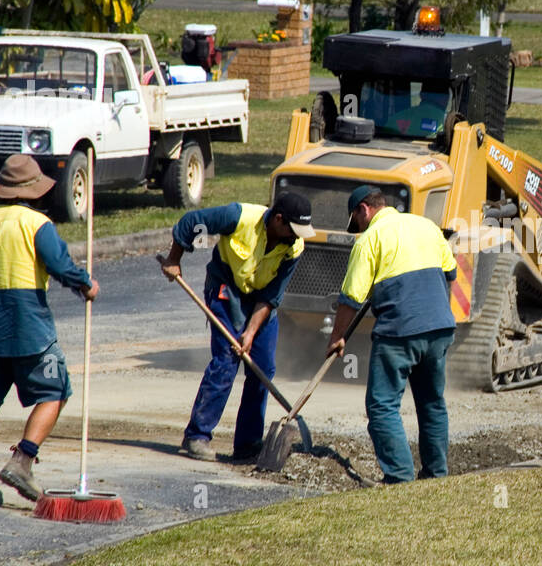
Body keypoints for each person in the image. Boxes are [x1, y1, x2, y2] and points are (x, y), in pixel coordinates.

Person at [0, 154, 99, 505]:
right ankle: (23, 460)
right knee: (56, 391)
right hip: (31, 331)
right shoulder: (37, 224)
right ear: (34, 190)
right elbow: (60, 266)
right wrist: (86, 284)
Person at [160, 193, 314, 462]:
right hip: (225, 287)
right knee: (227, 360)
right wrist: (174, 259)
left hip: (260, 300)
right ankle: (197, 436)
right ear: (278, 219)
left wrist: (250, 333)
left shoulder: (295, 248)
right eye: (293, 229)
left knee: (263, 367)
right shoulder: (240, 217)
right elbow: (191, 222)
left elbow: (271, 297)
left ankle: (248, 444)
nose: (296, 237)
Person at [327, 185, 457, 483]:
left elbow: (350, 299)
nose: (358, 228)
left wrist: (337, 337)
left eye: (357, 221)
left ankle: (400, 478)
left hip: (400, 331)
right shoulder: (426, 226)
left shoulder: (370, 239)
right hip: (439, 328)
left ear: (364, 210)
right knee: (432, 401)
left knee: (382, 404)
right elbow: (450, 273)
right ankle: (436, 474)